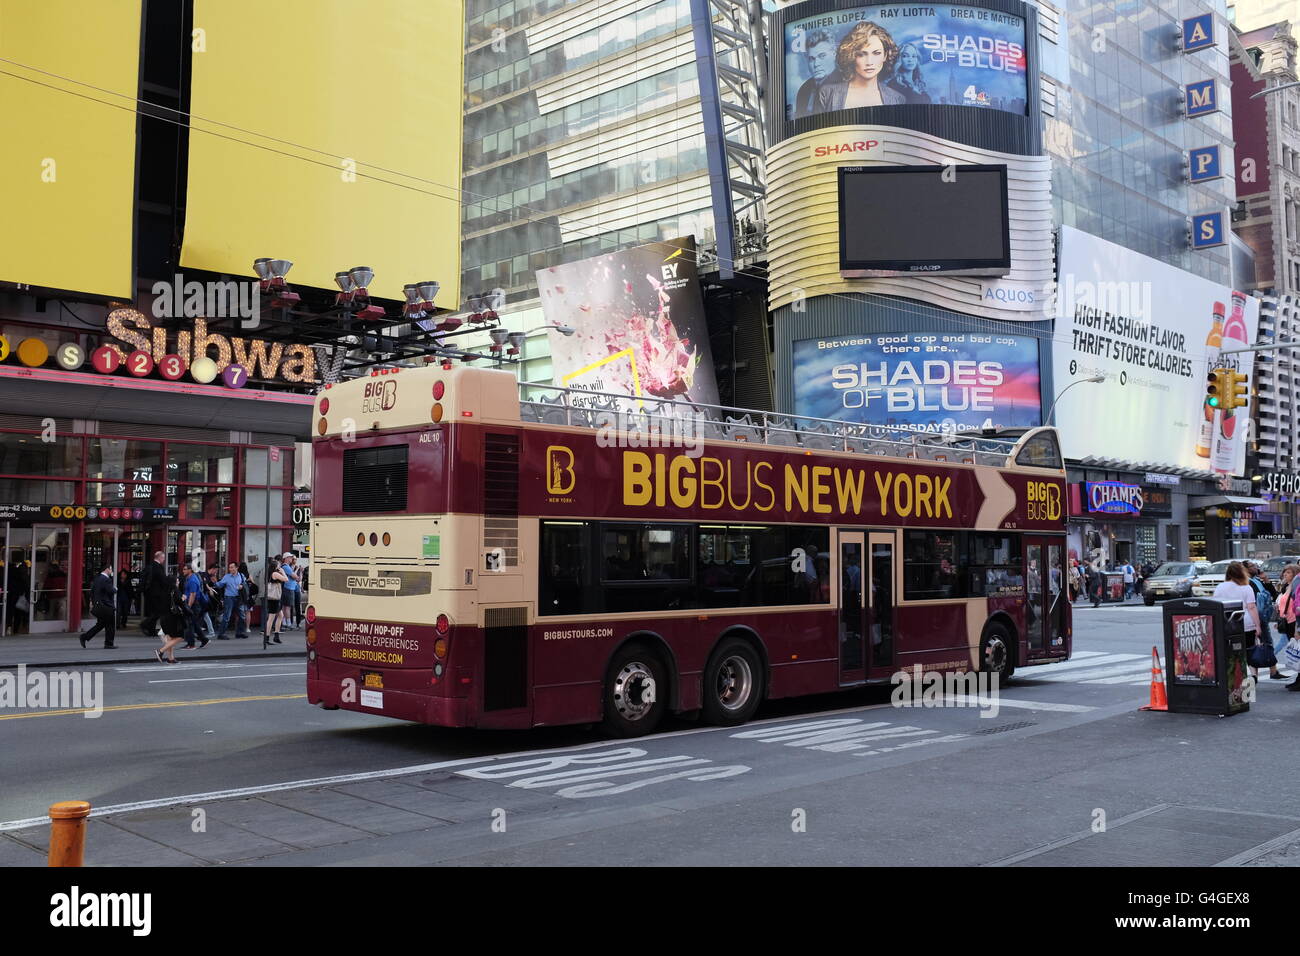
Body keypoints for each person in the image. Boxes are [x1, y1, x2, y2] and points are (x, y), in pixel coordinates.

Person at [816, 22, 906, 112]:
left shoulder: (898, 99)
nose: (869, 62)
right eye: (861, 54)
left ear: (885, 55)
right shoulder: (827, 94)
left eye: (876, 53)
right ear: (851, 56)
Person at [1214, 562, 1264, 683]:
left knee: (1231, 651)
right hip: (1246, 623)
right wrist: (1258, 626)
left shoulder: (1220, 587)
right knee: (1249, 650)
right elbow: (1251, 607)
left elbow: (1216, 605)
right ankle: (1253, 676)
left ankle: (1234, 677)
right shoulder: (1247, 587)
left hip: (1227, 623)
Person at [1244, 562, 1286, 680]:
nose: (1256, 568)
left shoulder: (1257, 580)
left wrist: (1266, 579)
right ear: (1245, 569)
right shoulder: (1246, 582)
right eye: (1252, 566)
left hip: (1262, 617)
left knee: (1266, 644)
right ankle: (1259, 674)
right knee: (1258, 645)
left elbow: (1273, 593)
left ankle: (1271, 672)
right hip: (1255, 617)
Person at [793, 29, 838, 118]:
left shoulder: (847, 83)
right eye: (811, 59)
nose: (816, 64)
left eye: (822, 56)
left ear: (834, 54)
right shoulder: (804, 89)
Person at [78, 563, 117, 649]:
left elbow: (92, 592)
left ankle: (85, 637)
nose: (111, 571)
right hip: (106, 606)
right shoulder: (106, 579)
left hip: (99, 606)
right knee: (110, 625)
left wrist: (94, 601)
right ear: (107, 569)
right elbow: (110, 591)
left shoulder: (97, 578)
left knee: (100, 624)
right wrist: (115, 589)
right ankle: (109, 643)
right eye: (111, 569)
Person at [155, 580, 189, 664]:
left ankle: (171, 658)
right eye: (177, 580)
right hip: (173, 618)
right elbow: (180, 603)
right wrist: (183, 599)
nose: (178, 582)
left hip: (163, 617)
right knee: (180, 637)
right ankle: (160, 651)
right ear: (173, 582)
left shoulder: (163, 591)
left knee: (170, 638)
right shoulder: (175, 591)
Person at [213, 561, 248, 640]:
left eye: (232, 567)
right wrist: (215, 582)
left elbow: (245, 584)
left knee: (242, 616)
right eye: (229, 567)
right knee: (227, 616)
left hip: (239, 598)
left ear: (236, 568)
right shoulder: (227, 577)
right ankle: (221, 634)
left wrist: (242, 586)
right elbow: (219, 585)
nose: (230, 569)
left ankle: (240, 632)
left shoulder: (242, 576)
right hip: (229, 598)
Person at [140, 551, 170, 637]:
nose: (164, 560)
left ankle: (151, 630)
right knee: (158, 612)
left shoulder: (149, 566)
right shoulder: (158, 567)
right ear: (159, 558)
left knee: (153, 612)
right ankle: (145, 624)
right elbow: (163, 580)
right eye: (163, 558)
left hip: (149, 593)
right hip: (157, 594)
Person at [180, 563, 210, 650]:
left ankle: (191, 644)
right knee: (193, 623)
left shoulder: (192, 580)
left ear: (190, 570)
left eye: (185, 569)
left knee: (189, 624)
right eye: (183, 569)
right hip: (192, 603)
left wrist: (188, 607)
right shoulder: (189, 578)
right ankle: (204, 640)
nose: (183, 571)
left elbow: (193, 595)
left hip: (193, 604)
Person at [263, 556, 288, 647]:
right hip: (274, 599)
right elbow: (286, 579)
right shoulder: (275, 573)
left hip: (276, 598)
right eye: (278, 565)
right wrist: (283, 572)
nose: (280, 566)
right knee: (271, 618)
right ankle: (267, 637)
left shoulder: (272, 573)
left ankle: (276, 635)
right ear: (275, 566)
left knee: (280, 615)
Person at [282, 553, 302, 628]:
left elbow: (296, 577)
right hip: (288, 588)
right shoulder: (286, 567)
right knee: (288, 606)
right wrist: (295, 575)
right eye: (290, 557)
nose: (292, 559)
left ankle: (284, 622)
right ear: (286, 558)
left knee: (285, 606)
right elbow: (294, 576)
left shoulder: (286, 567)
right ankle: (288, 623)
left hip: (288, 588)